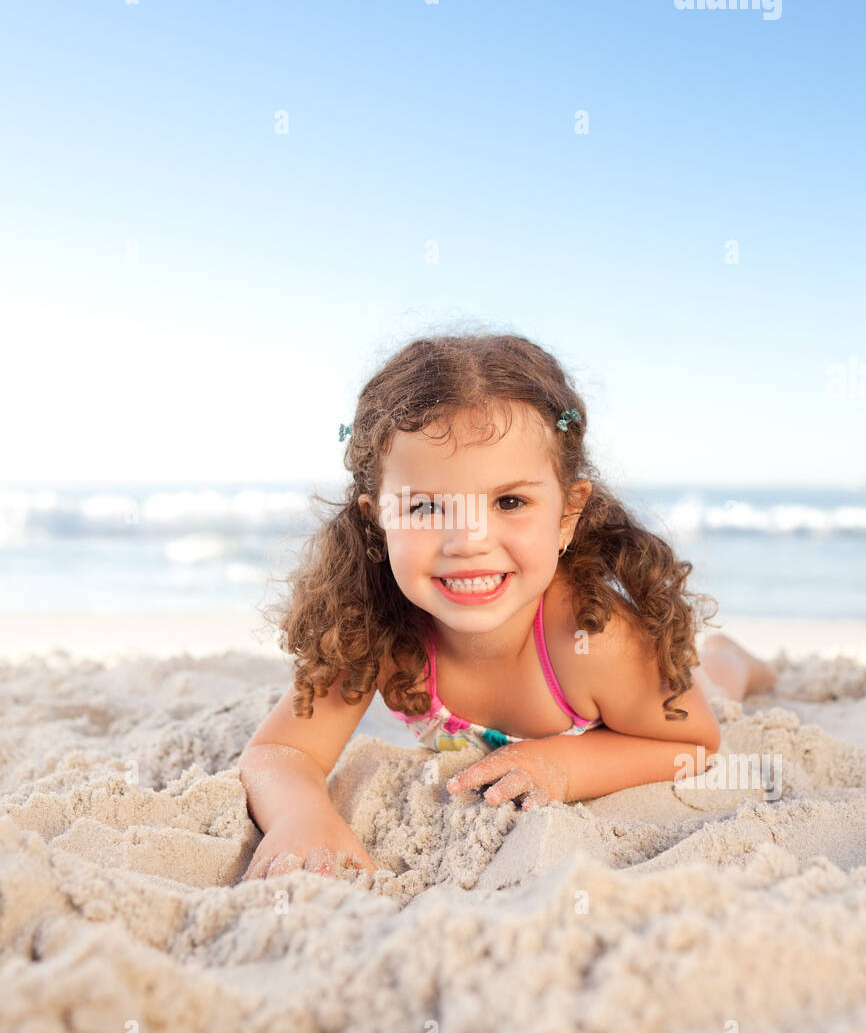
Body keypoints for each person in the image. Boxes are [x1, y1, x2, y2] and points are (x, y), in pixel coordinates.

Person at [239, 331, 777, 881]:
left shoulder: (593, 637)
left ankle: (733, 659)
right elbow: (280, 753)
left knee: (714, 685)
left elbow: (692, 742)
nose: (469, 540)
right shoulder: (375, 626)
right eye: (425, 505)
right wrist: (302, 815)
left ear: (567, 514)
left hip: (635, 711)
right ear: (378, 518)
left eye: (510, 501)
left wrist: (564, 763)